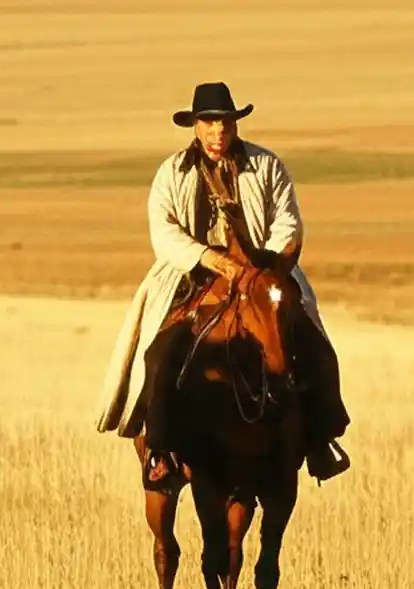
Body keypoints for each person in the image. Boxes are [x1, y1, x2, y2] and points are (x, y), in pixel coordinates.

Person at [95, 81, 350, 482]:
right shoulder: (172, 172)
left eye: (225, 123)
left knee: (314, 343)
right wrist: (208, 258)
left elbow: (287, 220)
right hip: (191, 274)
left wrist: (262, 264)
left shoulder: (266, 166)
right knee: (159, 351)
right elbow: (163, 231)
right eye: (210, 123)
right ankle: (159, 449)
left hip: (263, 273)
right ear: (195, 126)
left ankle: (322, 438)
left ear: (235, 125)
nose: (218, 132)